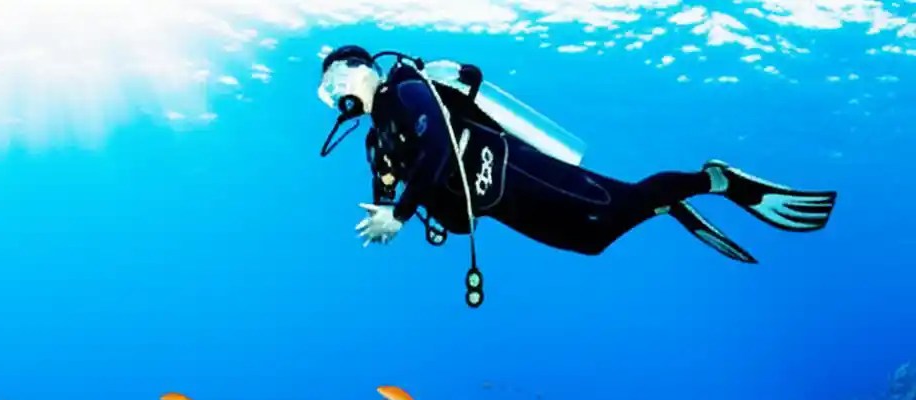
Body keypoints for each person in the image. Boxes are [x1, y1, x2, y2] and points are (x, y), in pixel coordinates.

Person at [316, 45, 838, 307]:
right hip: (498, 204)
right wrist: (384, 204)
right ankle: (662, 201)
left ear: (364, 69)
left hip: (513, 167)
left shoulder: (407, 88)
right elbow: (396, 188)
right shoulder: (375, 137)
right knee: (592, 240)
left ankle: (717, 180)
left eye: (336, 76)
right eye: (326, 89)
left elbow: (434, 150)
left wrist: (401, 215)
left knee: (614, 207)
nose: (333, 92)